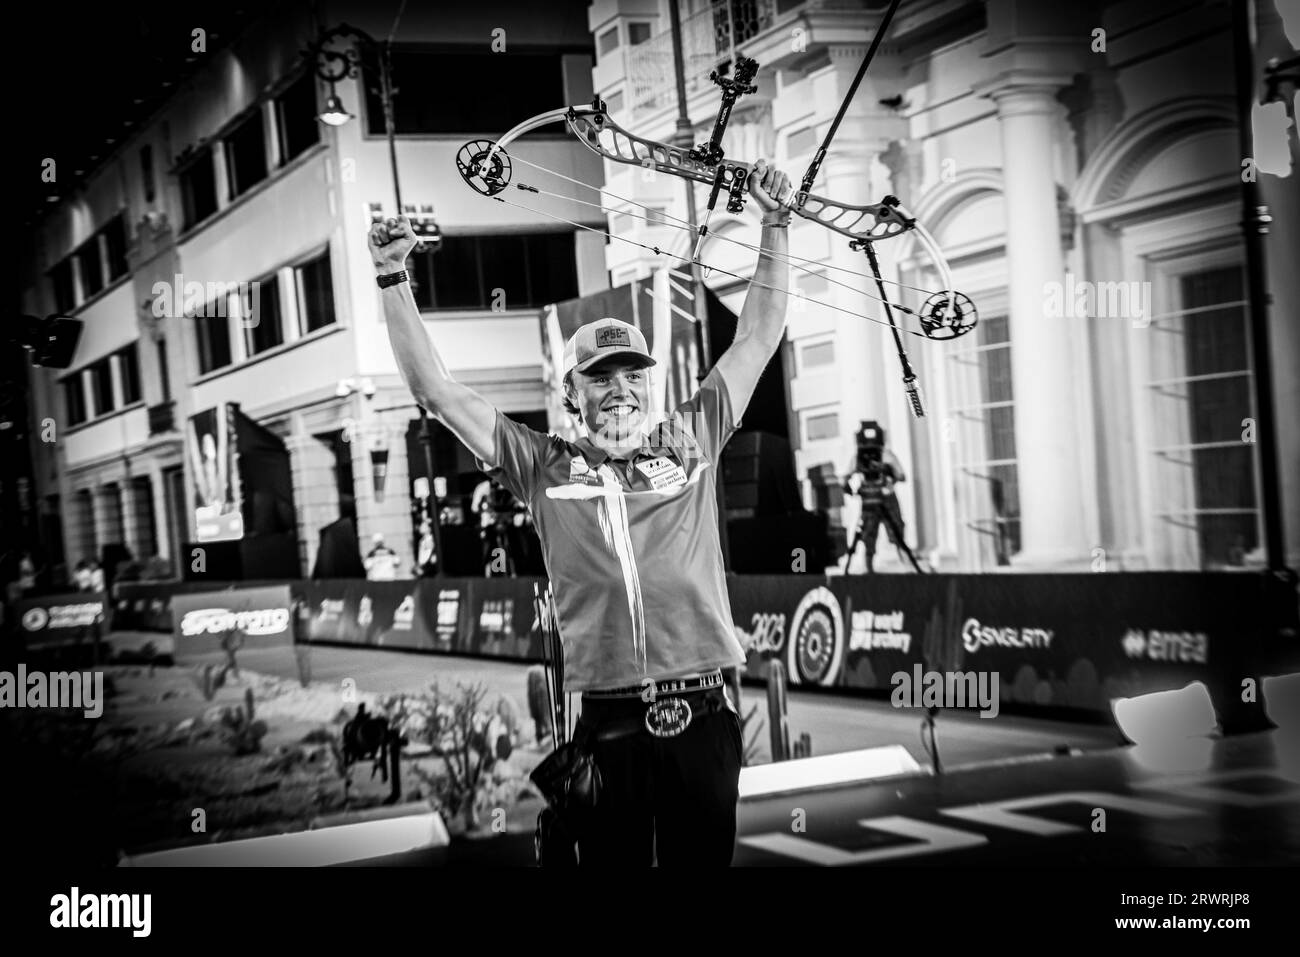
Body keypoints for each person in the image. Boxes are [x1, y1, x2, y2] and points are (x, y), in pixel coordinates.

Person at [369, 159, 792, 866]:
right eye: (600, 380)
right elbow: (437, 391)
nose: (620, 391)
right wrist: (391, 277)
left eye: (632, 375)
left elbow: (756, 337)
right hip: (609, 720)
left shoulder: (693, 436)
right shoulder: (541, 463)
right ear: (573, 395)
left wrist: (776, 225)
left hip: (705, 715)